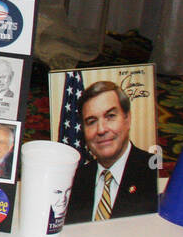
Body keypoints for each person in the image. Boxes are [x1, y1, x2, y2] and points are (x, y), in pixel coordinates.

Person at [66, 80, 159, 224]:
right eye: (91, 121)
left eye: (110, 116)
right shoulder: (74, 179)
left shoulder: (154, 172)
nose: (101, 129)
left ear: (127, 119)